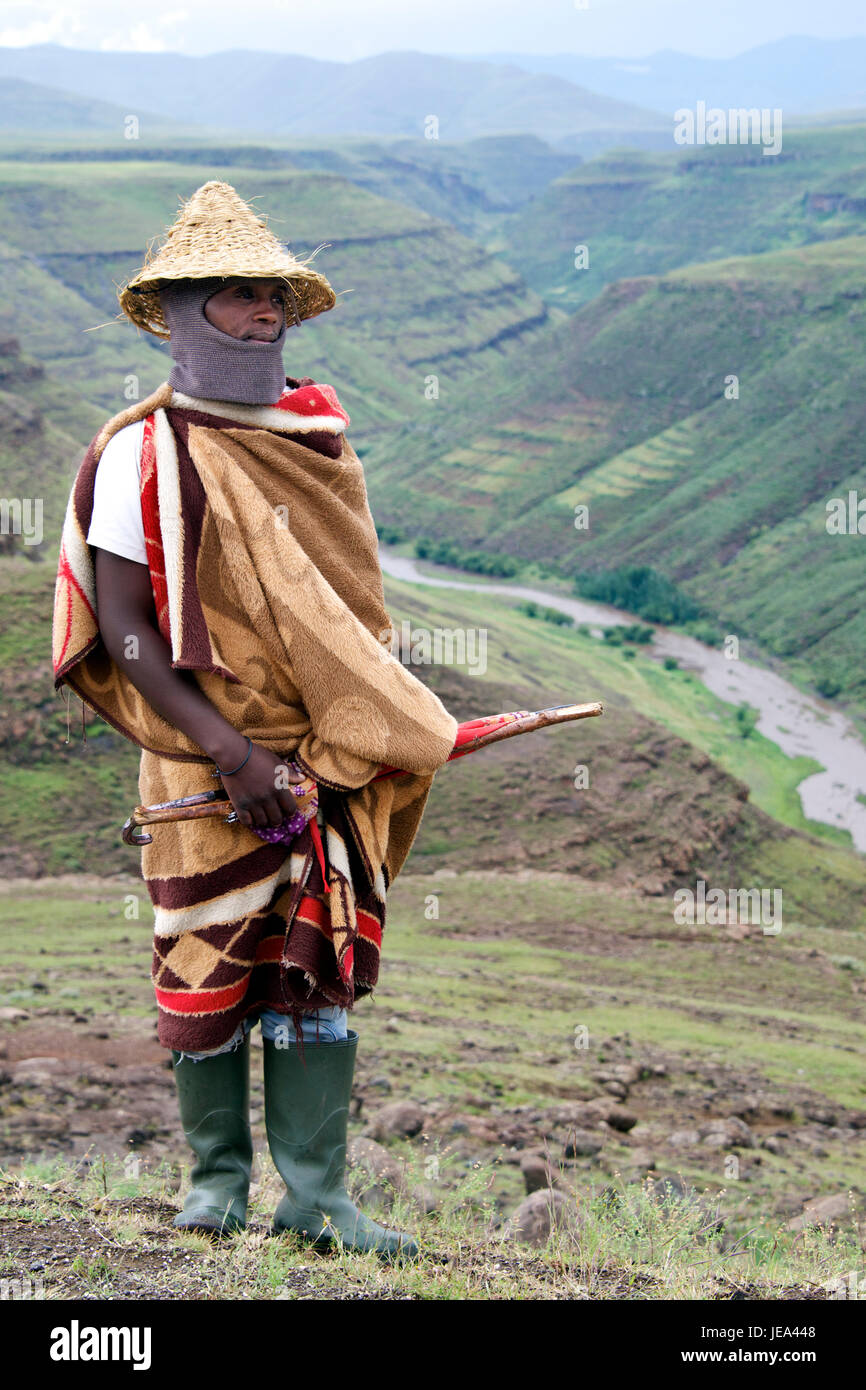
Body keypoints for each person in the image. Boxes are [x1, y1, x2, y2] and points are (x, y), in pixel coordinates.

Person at [52, 180, 458, 1259]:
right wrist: (234, 754)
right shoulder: (140, 451)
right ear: (179, 313)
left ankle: (315, 1195)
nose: (262, 308)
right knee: (209, 958)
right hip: (201, 755)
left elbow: (345, 615)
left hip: (329, 754)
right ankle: (215, 1185)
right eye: (233, 294)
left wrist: (348, 731)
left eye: (271, 289)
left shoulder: (315, 432)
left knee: (312, 962)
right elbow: (128, 624)